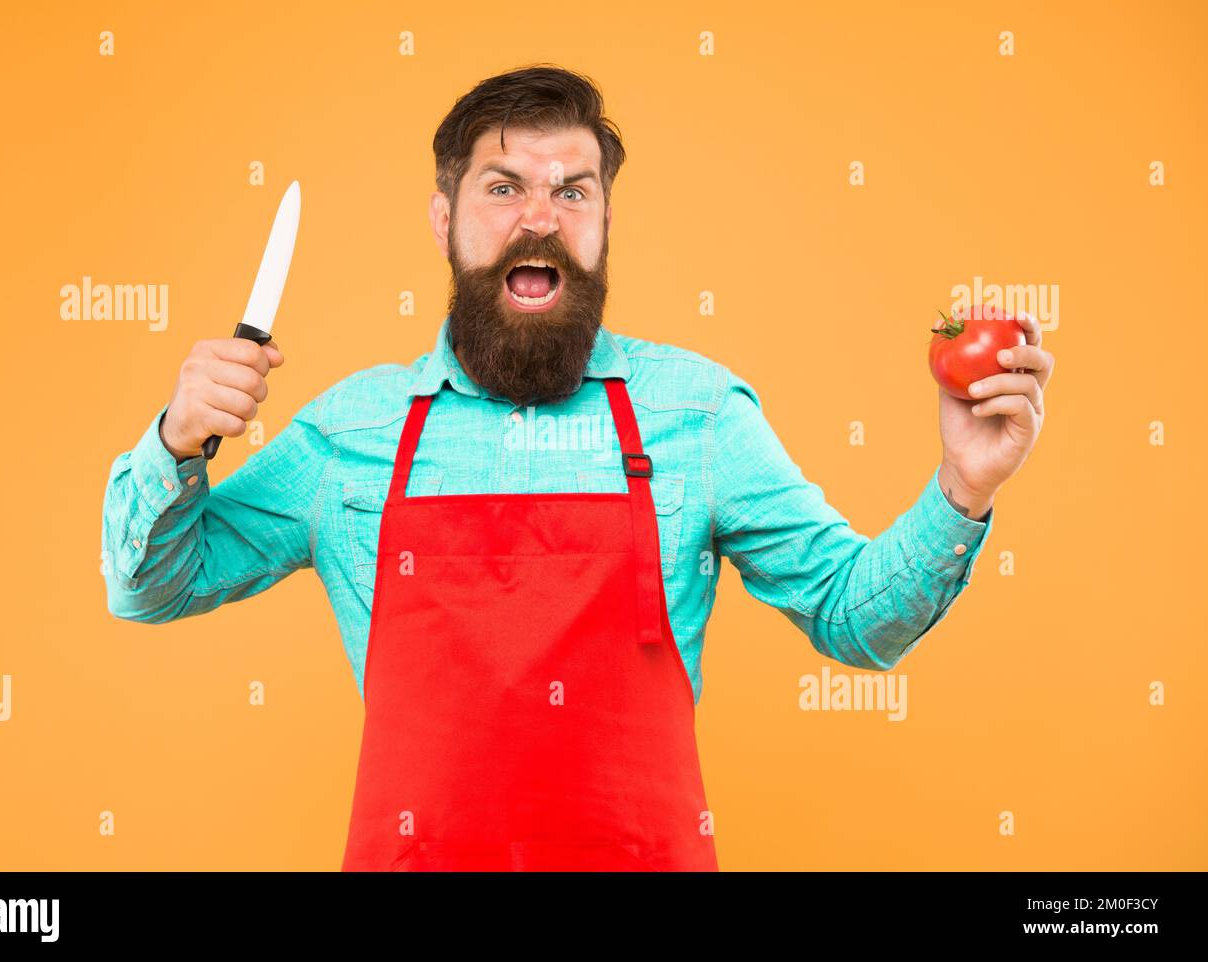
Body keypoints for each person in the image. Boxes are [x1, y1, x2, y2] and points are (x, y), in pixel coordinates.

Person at [101, 64, 1054, 871]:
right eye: (504, 187)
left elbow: (855, 621)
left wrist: (963, 489)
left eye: (574, 190)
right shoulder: (354, 429)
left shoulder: (698, 414)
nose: (541, 220)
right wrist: (176, 442)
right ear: (444, 221)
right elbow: (148, 586)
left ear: (603, 220)